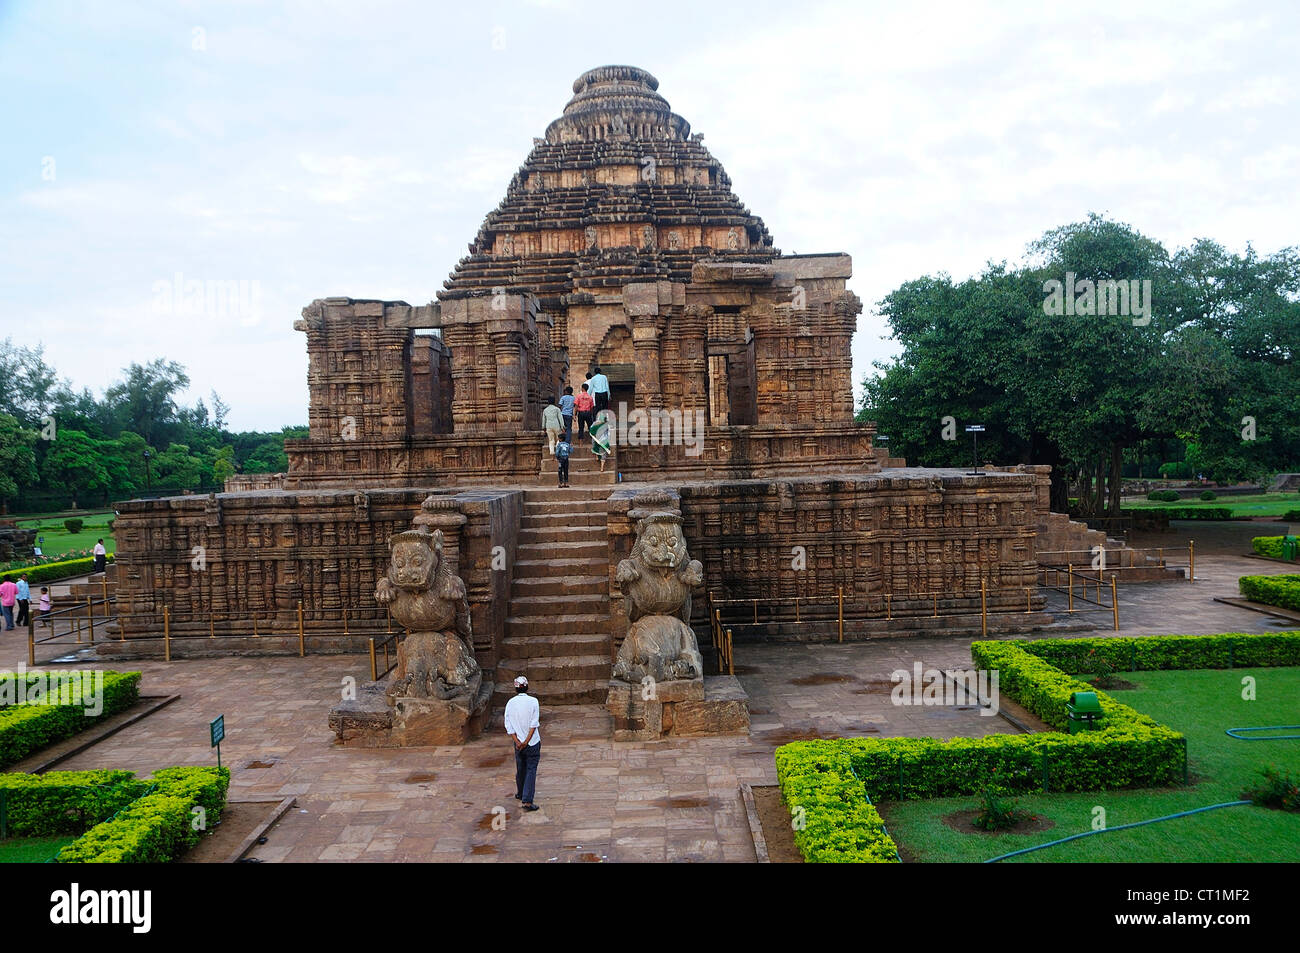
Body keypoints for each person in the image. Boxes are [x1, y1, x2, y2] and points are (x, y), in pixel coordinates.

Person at [504, 675, 541, 812]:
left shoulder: (510, 703)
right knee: (531, 769)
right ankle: (526, 800)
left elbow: (508, 725)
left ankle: (520, 793)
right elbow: (534, 724)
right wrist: (526, 741)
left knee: (521, 767)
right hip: (532, 742)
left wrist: (518, 742)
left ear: (515, 688)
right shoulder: (533, 702)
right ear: (527, 687)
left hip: (518, 743)